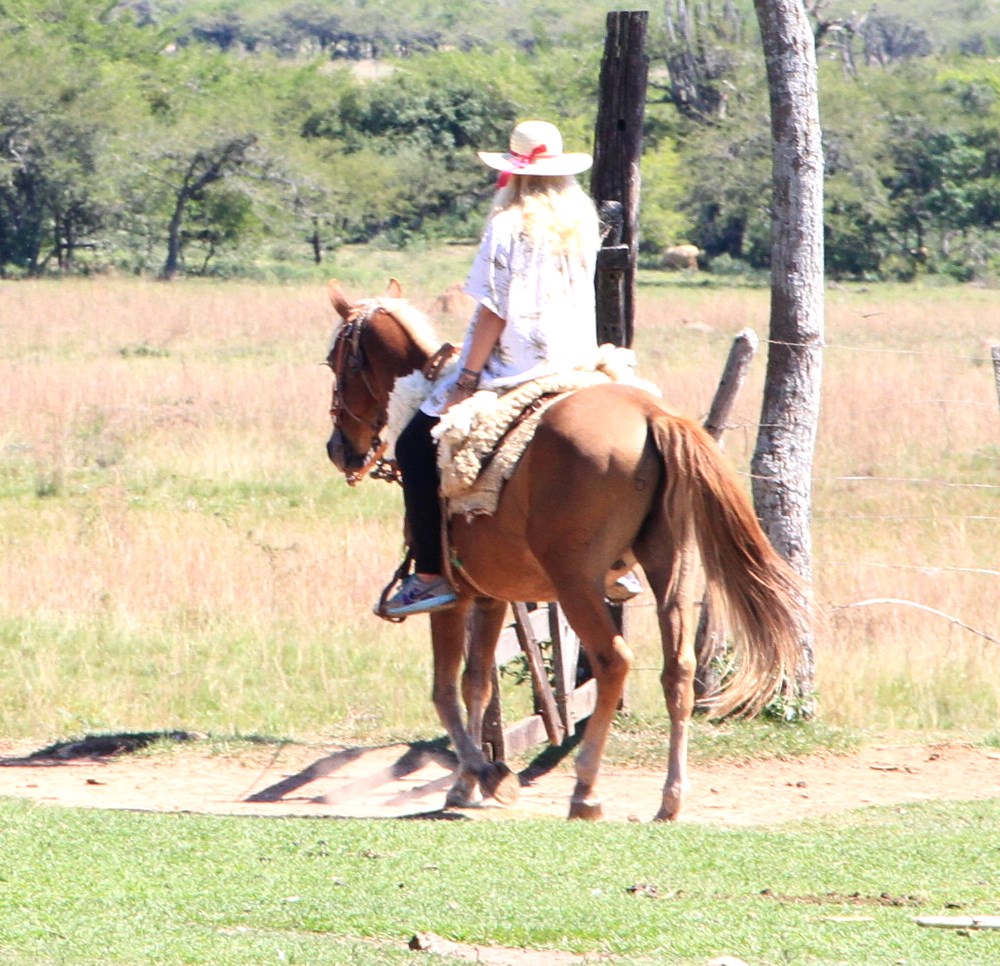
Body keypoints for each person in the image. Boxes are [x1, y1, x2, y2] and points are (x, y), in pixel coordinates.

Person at [380, 119, 602, 618]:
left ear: (514, 172)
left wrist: (466, 378)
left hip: (517, 366)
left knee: (414, 446)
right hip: (575, 361)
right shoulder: (582, 222)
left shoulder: (507, 225)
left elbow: (494, 311)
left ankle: (430, 576)